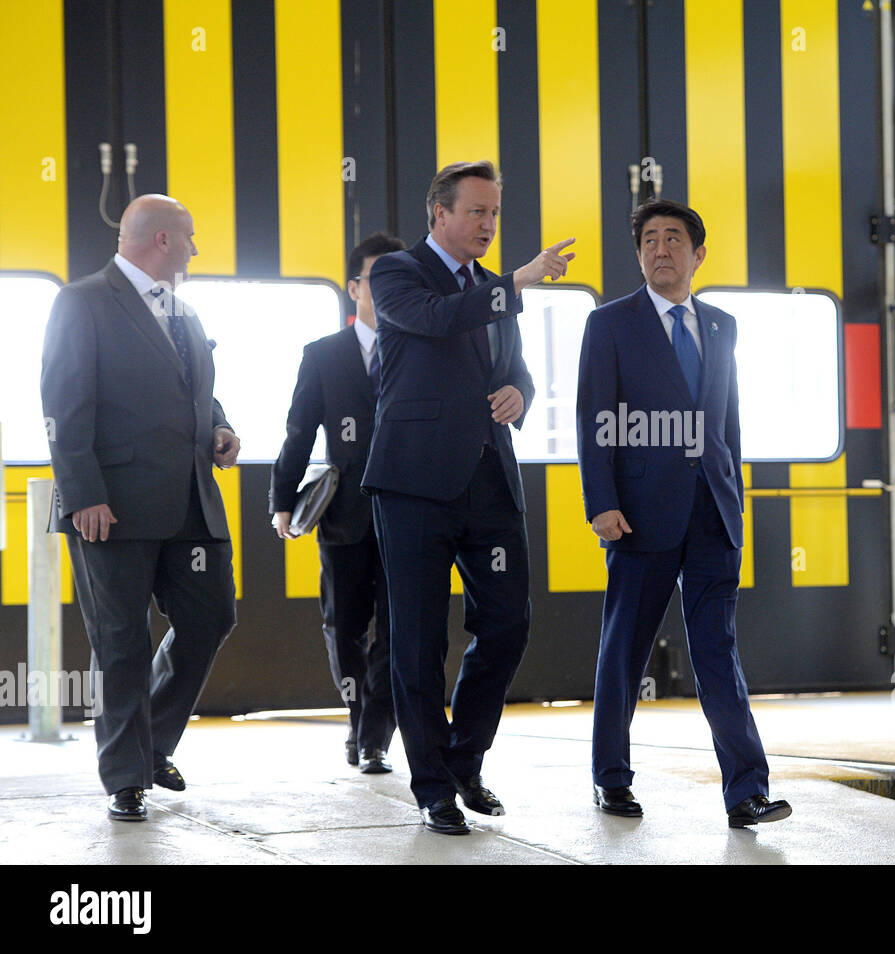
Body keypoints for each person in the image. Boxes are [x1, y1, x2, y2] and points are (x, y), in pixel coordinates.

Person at [362, 160, 575, 835]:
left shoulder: (494, 290)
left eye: (494, 213)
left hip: (488, 481)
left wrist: (521, 392)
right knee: (418, 641)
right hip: (413, 485)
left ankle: (463, 758)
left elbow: (509, 368)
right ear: (439, 213)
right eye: (476, 212)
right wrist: (517, 282)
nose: (488, 225)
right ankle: (432, 788)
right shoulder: (397, 274)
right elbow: (434, 319)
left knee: (508, 623)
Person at [576, 198, 790, 828]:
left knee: (718, 653)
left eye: (673, 239)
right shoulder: (610, 324)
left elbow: (728, 425)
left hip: (713, 519)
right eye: (649, 239)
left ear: (698, 254)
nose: (660, 249)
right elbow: (595, 422)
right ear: (638, 253)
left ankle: (746, 791)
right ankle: (610, 779)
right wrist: (602, 503)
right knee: (625, 651)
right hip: (638, 516)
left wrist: (736, 502)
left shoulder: (723, 325)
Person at [40, 194, 240, 821]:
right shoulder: (81, 301)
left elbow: (196, 392)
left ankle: (149, 741)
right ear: (161, 240)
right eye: (190, 238)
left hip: (190, 503)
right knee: (122, 641)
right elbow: (62, 404)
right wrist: (84, 495)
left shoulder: (182, 310)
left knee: (211, 618)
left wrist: (220, 427)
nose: (195, 249)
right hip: (112, 507)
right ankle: (127, 777)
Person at [270, 232, 404, 774]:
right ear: (355, 288)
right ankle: (357, 718)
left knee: (400, 631)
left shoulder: (421, 350)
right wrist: (283, 499)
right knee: (343, 625)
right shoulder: (322, 356)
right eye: (380, 279)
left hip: (410, 515)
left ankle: (375, 736)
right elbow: (299, 431)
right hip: (345, 515)